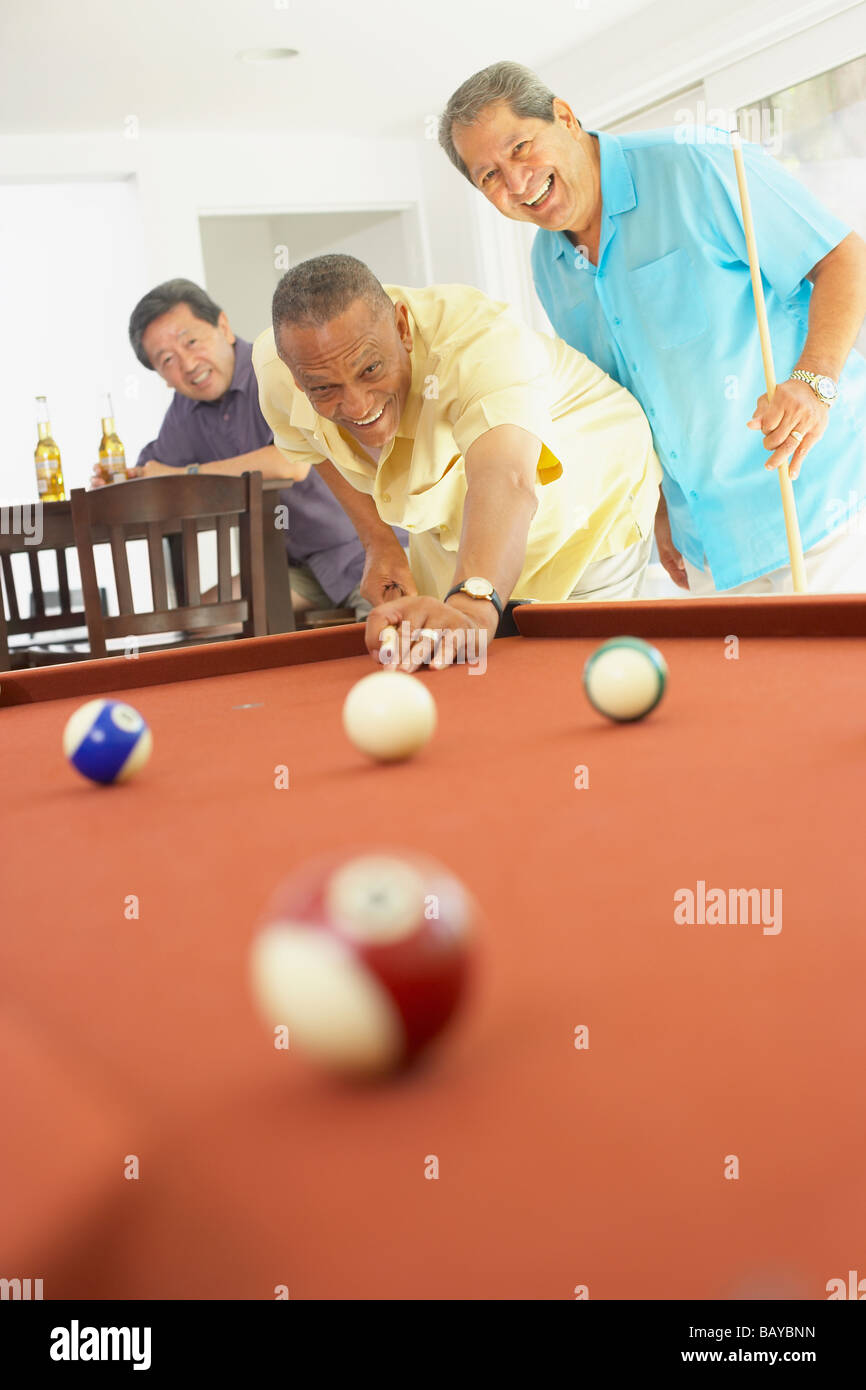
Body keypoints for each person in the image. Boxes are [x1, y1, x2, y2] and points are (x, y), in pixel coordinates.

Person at [439, 61, 866, 595]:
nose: (516, 181)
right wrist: (659, 508)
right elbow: (618, 399)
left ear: (565, 118)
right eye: (489, 176)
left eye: (520, 147)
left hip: (825, 505)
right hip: (707, 542)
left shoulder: (699, 163)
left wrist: (815, 382)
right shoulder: (546, 266)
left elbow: (843, 259)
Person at [253, 253, 661, 668]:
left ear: (401, 327)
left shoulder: (479, 343)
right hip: (459, 523)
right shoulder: (279, 368)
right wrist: (379, 543)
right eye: (324, 388)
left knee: (571, 674)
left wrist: (472, 605)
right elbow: (313, 447)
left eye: (371, 368)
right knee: (452, 662)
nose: (356, 404)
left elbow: (506, 478)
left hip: (588, 500)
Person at [92, 279, 378, 620]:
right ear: (162, 377)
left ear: (224, 327)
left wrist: (186, 474)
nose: (187, 363)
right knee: (204, 619)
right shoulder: (186, 410)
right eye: (167, 359)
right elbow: (154, 470)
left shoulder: (273, 369)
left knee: (389, 629)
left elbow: (291, 462)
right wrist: (123, 480)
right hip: (292, 568)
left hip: (362, 547)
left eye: (192, 342)